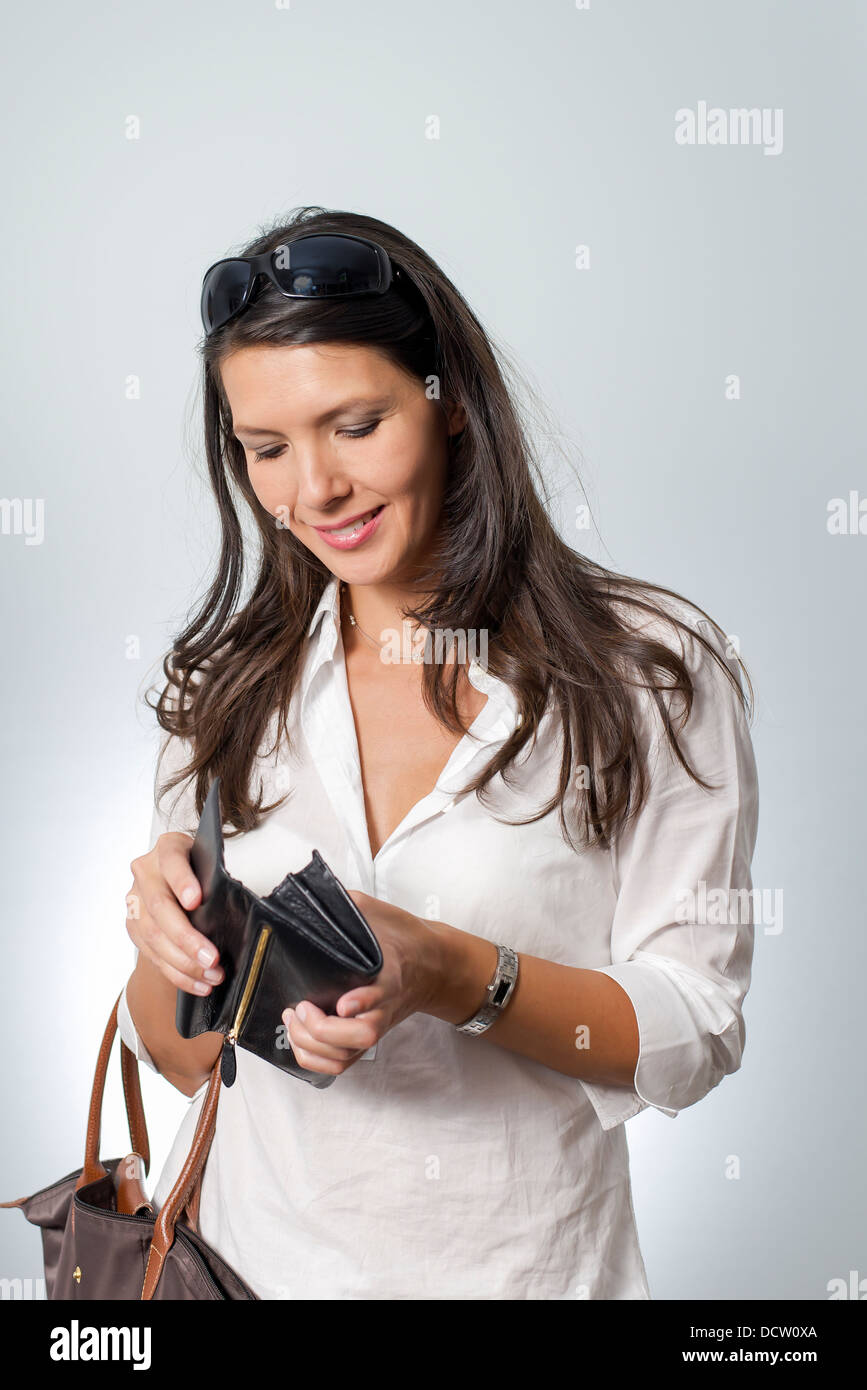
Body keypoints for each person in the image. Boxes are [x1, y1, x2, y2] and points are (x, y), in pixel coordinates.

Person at [120, 206, 759, 1300]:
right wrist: (171, 948)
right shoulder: (230, 689)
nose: (312, 489)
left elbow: (694, 1030)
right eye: (267, 448)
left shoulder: (648, 668)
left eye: (356, 424)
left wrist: (456, 971)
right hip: (241, 1275)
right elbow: (183, 1058)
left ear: (448, 400)